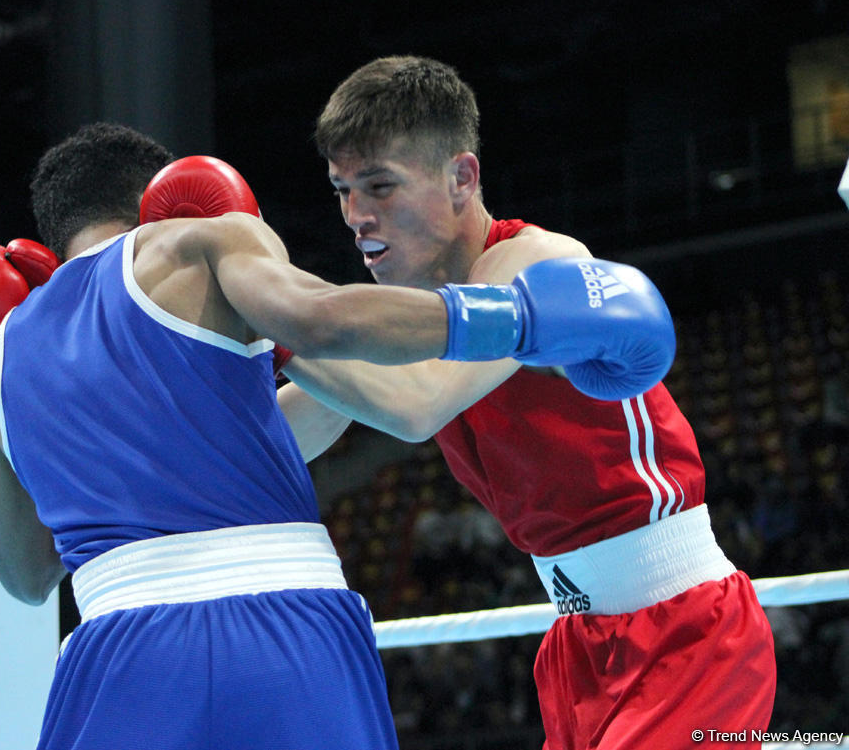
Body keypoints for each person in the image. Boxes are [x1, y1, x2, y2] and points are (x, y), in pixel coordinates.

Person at [0, 122, 674, 750]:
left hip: (117, 647)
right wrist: (521, 318)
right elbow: (319, 320)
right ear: (159, 199)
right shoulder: (196, 245)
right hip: (286, 623)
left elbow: (26, 579)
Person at [279, 55, 777, 749]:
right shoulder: (412, 314)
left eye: (380, 186)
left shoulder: (538, 267)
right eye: (342, 190)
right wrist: (201, 354)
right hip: (578, 646)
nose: (356, 216)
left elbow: (418, 405)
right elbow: (280, 432)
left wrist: (270, 313)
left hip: (687, 632)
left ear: (462, 177)